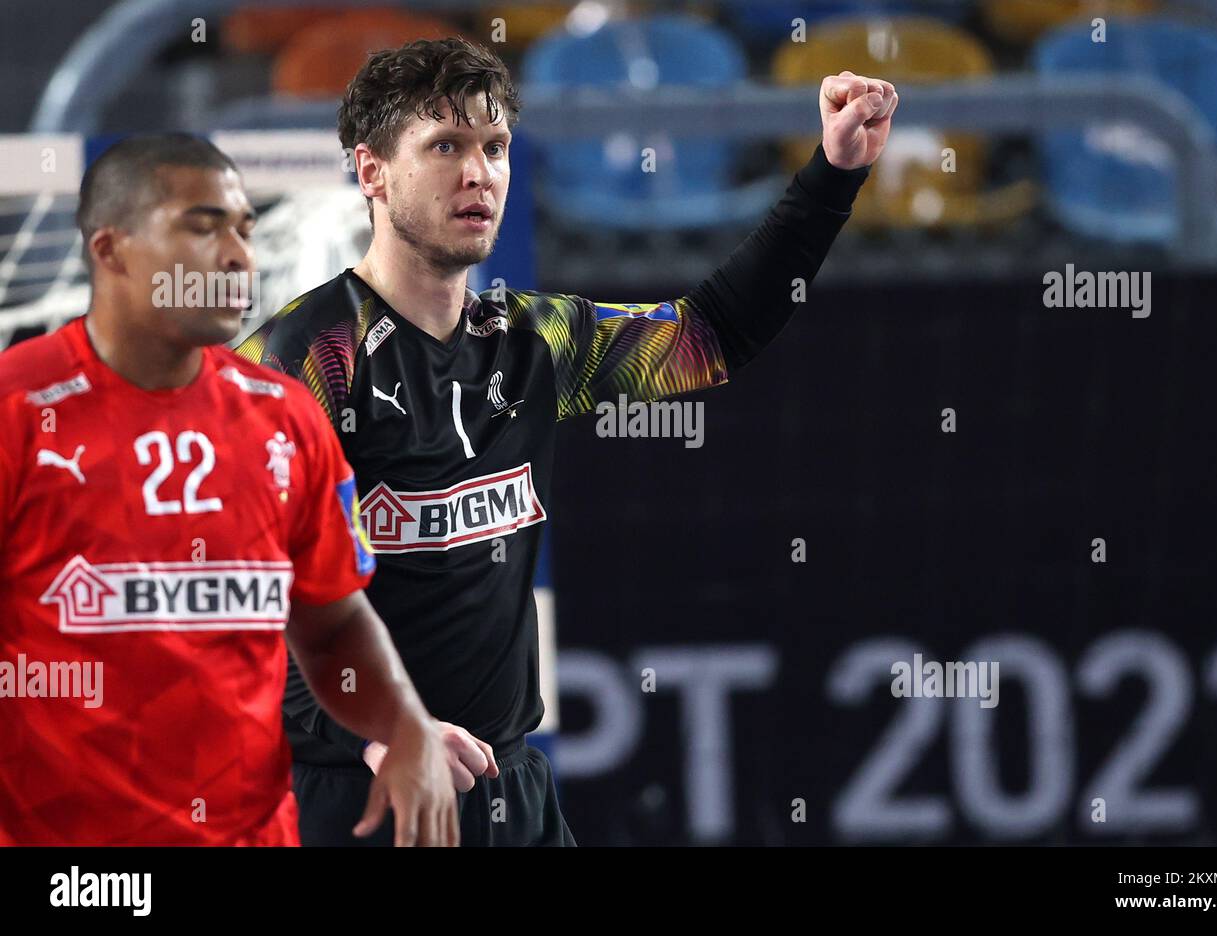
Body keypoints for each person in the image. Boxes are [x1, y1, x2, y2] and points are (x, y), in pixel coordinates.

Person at [237, 37, 897, 846]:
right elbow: (243, 602)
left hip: (509, 791)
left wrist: (832, 177)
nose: (479, 173)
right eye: (444, 146)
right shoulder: (301, 358)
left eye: (495, 147)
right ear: (370, 170)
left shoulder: (531, 338)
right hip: (352, 796)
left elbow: (709, 337)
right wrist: (379, 734)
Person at [0, 134, 459, 846]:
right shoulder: (19, 409)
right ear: (111, 249)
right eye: (202, 226)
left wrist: (404, 726)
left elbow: (332, 624)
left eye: (244, 229)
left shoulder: (286, 417)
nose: (240, 255)